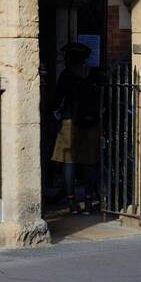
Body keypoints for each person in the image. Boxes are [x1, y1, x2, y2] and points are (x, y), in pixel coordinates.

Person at [50, 42, 101, 214]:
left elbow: (57, 99)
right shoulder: (94, 73)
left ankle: (71, 202)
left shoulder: (66, 75)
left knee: (69, 161)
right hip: (92, 122)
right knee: (90, 161)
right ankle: (88, 201)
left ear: (70, 58)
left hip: (69, 122)